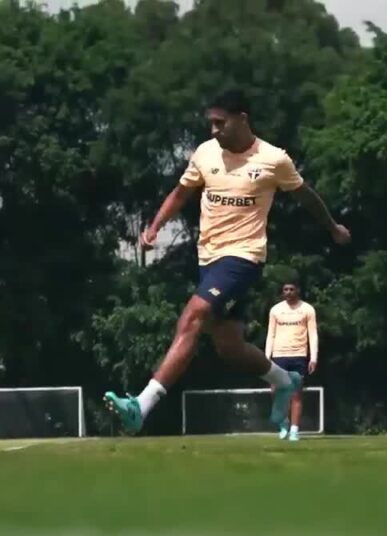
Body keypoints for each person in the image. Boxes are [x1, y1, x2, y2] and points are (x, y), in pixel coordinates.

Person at [103, 88, 351, 433]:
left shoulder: (273, 160)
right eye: (211, 123)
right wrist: (155, 226)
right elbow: (181, 192)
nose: (214, 130)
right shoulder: (205, 153)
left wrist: (333, 227)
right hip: (209, 258)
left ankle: (141, 405)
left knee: (194, 316)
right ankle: (284, 381)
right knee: (229, 347)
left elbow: (305, 196)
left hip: (243, 258)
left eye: (221, 123)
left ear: (242, 120)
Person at [265, 281, 318, 441]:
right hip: (278, 355)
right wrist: (267, 356)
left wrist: (313, 357)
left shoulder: (307, 309)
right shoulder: (276, 310)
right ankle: (283, 424)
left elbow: (313, 334)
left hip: (298, 355)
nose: (288, 292)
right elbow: (271, 334)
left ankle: (294, 430)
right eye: (285, 290)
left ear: (298, 290)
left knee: (295, 394)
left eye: (291, 289)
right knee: (275, 391)